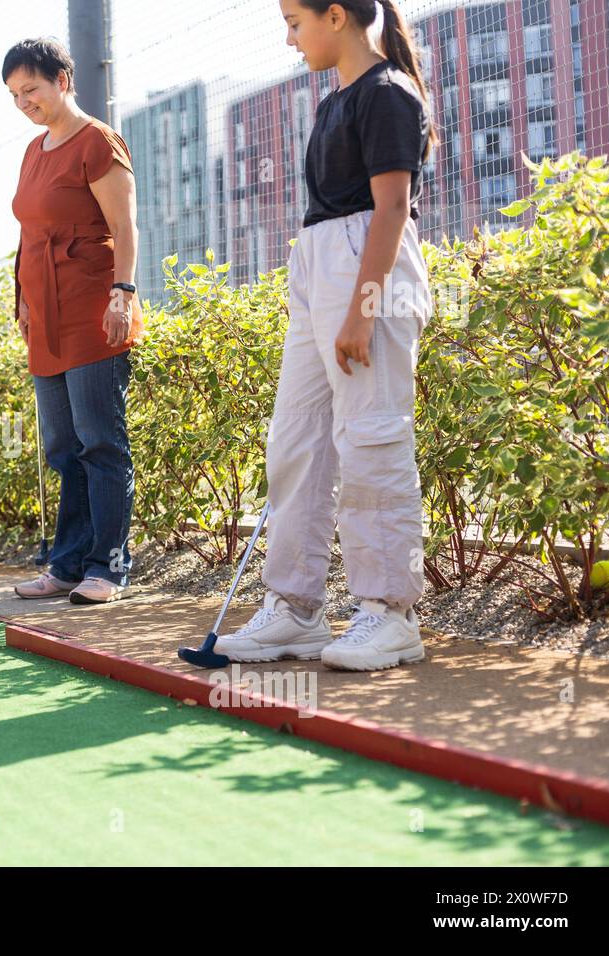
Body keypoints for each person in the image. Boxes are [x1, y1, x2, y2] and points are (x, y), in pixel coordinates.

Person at [217, 0, 436, 671]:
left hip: (367, 265)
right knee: (297, 439)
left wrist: (363, 307)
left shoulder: (388, 94)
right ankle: (294, 610)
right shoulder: (330, 102)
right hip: (316, 261)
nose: (289, 38)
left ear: (335, 15)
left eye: (294, 21)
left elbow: (392, 206)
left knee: (371, 433)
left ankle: (389, 612)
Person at [4, 37, 143, 606]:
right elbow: (28, 231)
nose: (24, 101)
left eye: (31, 88)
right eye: (14, 94)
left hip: (93, 311)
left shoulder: (97, 143)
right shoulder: (35, 150)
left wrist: (122, 292)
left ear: (63, 79)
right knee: (63, 444)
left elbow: (126, 226)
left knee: (101, 442)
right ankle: (66, 564)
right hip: (46, 318)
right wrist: (21, 298)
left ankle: (107, 567)